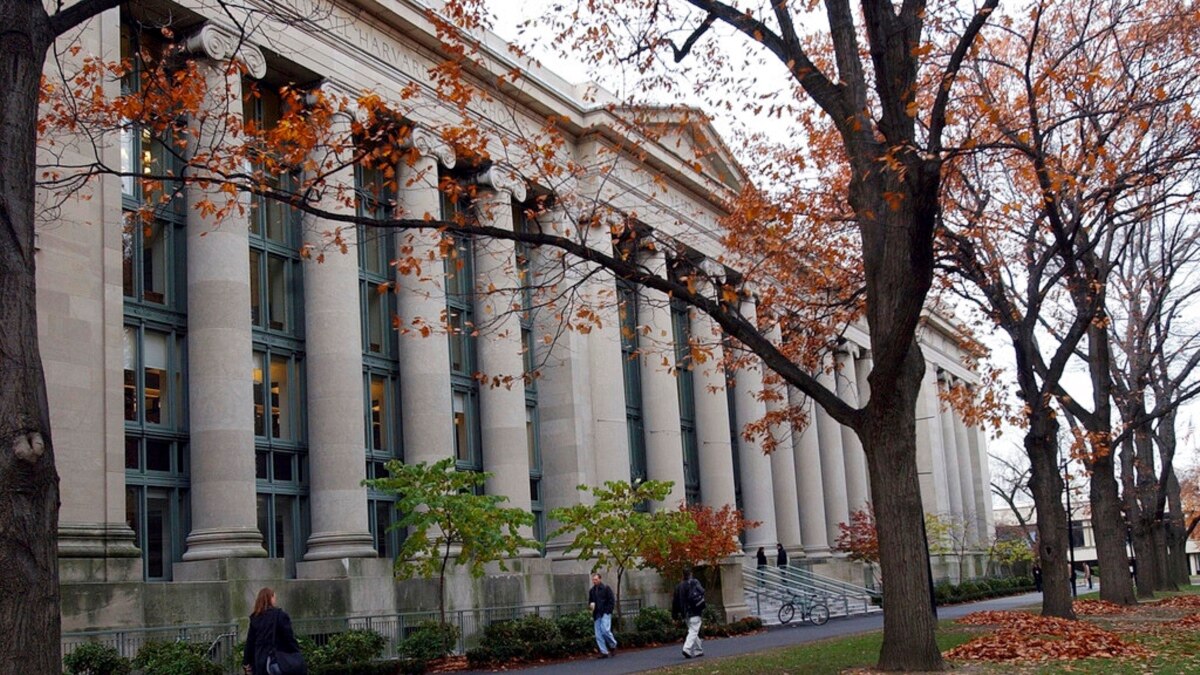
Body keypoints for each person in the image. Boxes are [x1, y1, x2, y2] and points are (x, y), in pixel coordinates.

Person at [243, 587, 305, 675]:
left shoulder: (255, 618)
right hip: (276, 660)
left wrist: (246, 662)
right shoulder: (280, 615)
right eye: (274, 598)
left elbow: (250, 642)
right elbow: (289, 638)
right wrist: (296, 653)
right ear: (270, 598)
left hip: (260, 662)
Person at [672, 568, 705, 659]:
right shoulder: (695, 583)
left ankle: (699, 650)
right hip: (696, 610)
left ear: (682, 575)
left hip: (685, 613)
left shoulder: (678, 587)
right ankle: (686, 648)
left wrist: (674, 616)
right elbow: (702, 591)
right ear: (691, 574)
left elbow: (675, 602)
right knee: (694, 630)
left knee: (693, 630)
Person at [588, 573, 617, 658]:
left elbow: (611, 600)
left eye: (596, 579)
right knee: (598, 634)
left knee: (605, 630)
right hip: (596, 613)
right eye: (593, 580)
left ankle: (613, 644)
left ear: (600, 579)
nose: (594, 581)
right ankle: (604, 651)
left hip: (605, 612)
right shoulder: (592, 591)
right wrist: (591, 606)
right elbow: (590, 601)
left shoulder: (606, 588)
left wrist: (608, 611)